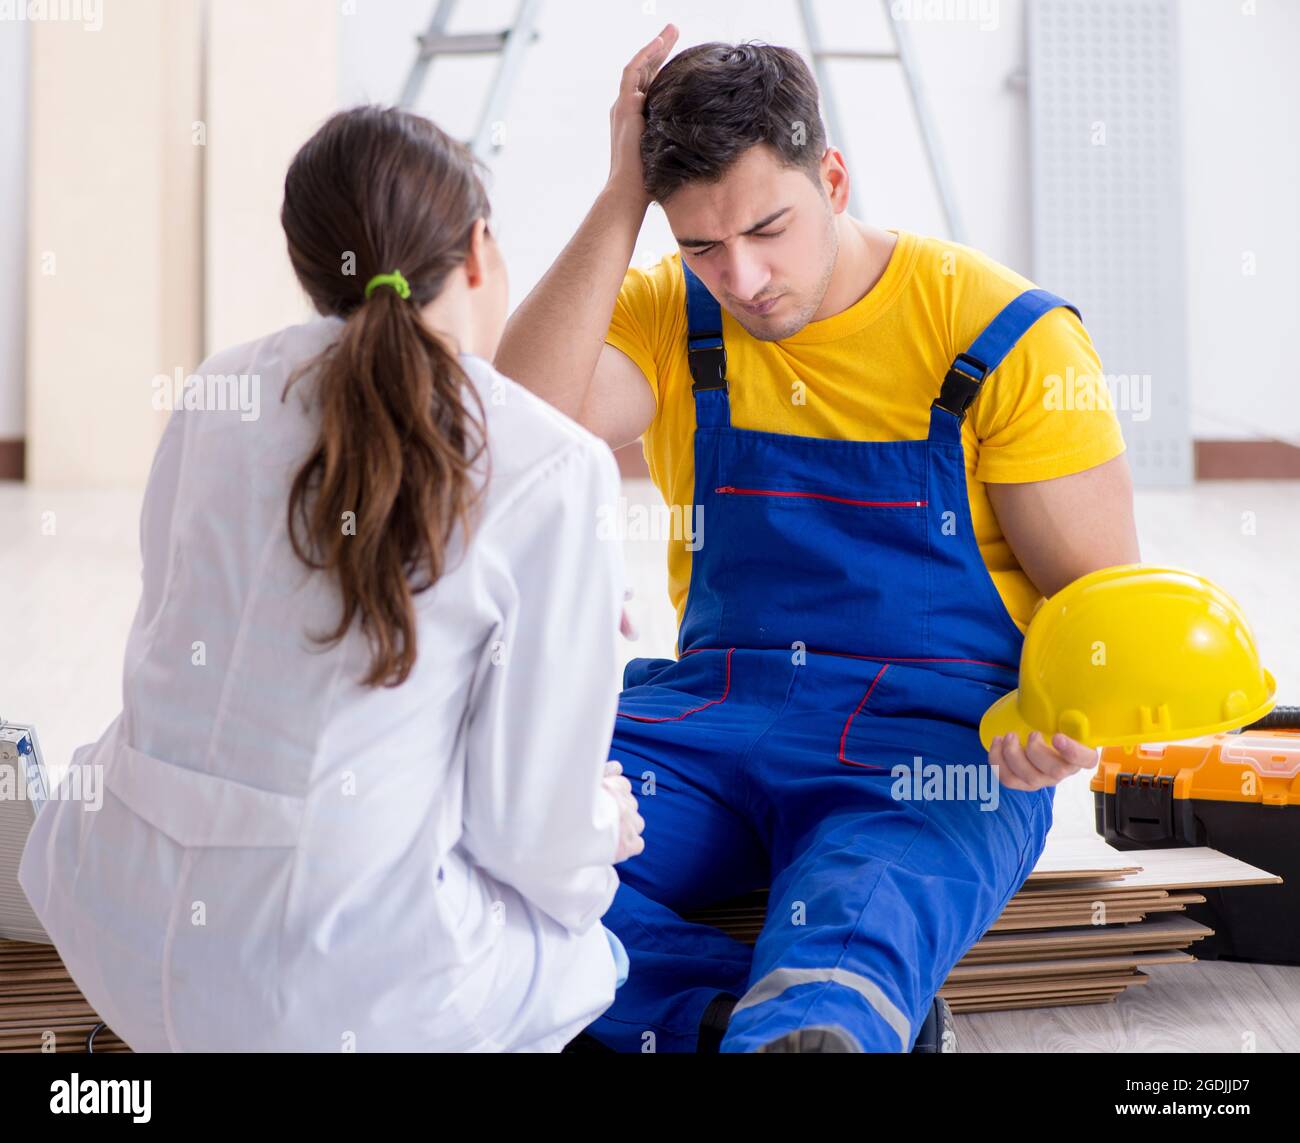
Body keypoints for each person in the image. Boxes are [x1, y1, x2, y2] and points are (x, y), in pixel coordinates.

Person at [495, 29, 1140, 1052]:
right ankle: (720, 1015)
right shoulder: (676, 314)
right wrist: (622, 193)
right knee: (489, 838)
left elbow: (1104, 609)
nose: (741, 277)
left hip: (932, 741)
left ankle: (808, 1022)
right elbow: (512, 433)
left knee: (859, 906)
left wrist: (1057, 716)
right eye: (700, 245)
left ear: (832, 177)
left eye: (768, 228)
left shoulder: (1001, 334)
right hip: (708, 714)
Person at [19, 105, 643, 1052]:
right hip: (332, 992)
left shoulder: (219, 389)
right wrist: (600, 815)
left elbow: (170, 646)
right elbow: (532, 845)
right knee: (585, 949)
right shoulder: (551, 463)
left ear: (309, 265)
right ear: (480, 249)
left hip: (112, 922)